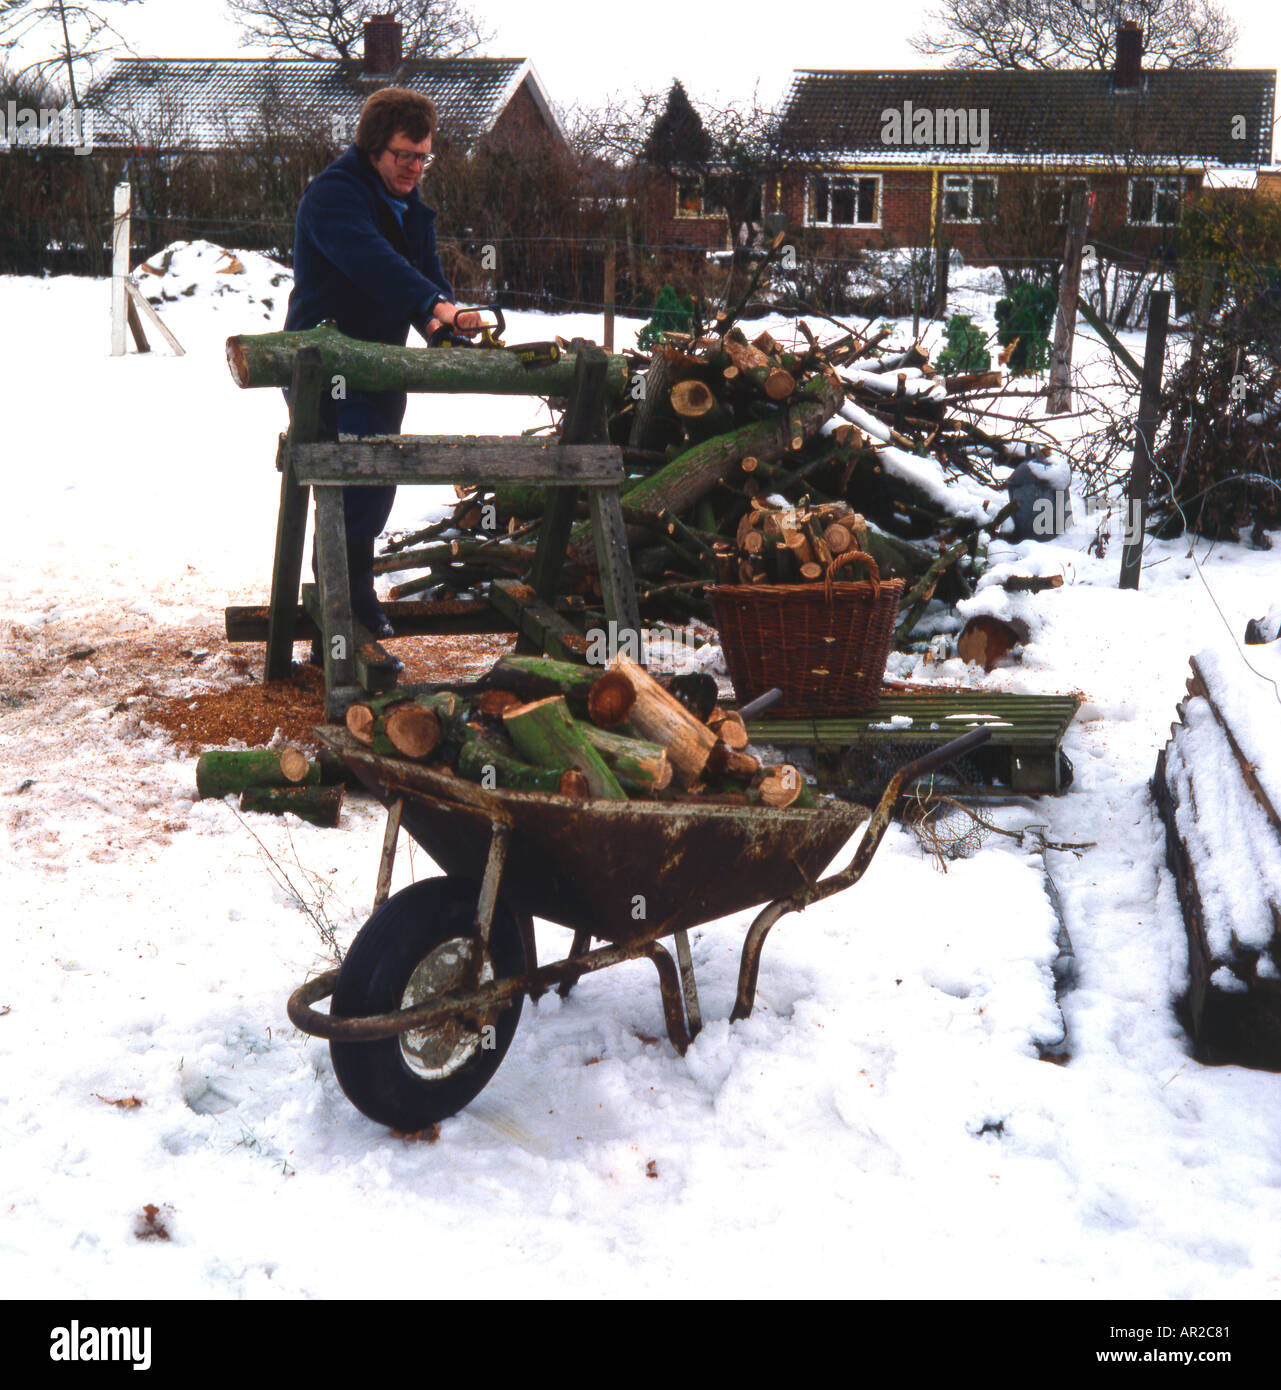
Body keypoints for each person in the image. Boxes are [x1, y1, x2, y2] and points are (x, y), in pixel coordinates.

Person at [283, 87, 481, 654]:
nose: (415, 168)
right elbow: (376, 265)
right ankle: (344, 620)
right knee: (346, 486)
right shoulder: (334, 196)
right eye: (404, 156)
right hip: (327, 367)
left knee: (374, 487)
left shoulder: (411, 208)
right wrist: (433, 306)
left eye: (424, 158)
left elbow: (425, 277)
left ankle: (353, 604)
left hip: (381, 367)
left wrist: (446, 325)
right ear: (374, 149)